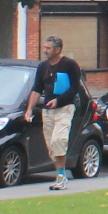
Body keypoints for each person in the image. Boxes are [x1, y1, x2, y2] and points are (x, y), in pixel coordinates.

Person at [33, 35, 84, 191]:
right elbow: (36, 88)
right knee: (52, 147)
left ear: (58, 49)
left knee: (58, 140)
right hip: (48, 111)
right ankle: (59, 174)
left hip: (65, 108)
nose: (45, 50)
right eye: (44, 47)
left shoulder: (70, 65)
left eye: (48, 48)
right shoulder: (42, 67)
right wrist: (29, 109)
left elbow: (74, 88)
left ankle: (62, 177)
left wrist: (59, 100)